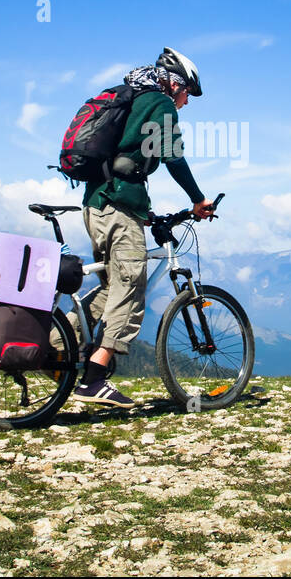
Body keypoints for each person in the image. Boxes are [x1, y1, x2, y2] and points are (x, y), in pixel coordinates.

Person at [73, 47, 217, 408]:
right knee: (132, 286)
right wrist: (198, 199)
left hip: (98, 206)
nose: (186, 103)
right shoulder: (159, 102)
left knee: (111, 289)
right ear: (175, 83)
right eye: (187, 94)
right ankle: (93, 378)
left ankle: (57, 349)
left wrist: (147, 215)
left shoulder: (133, 97)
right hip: (117, 208)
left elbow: (128, 161)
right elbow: (173, 156)